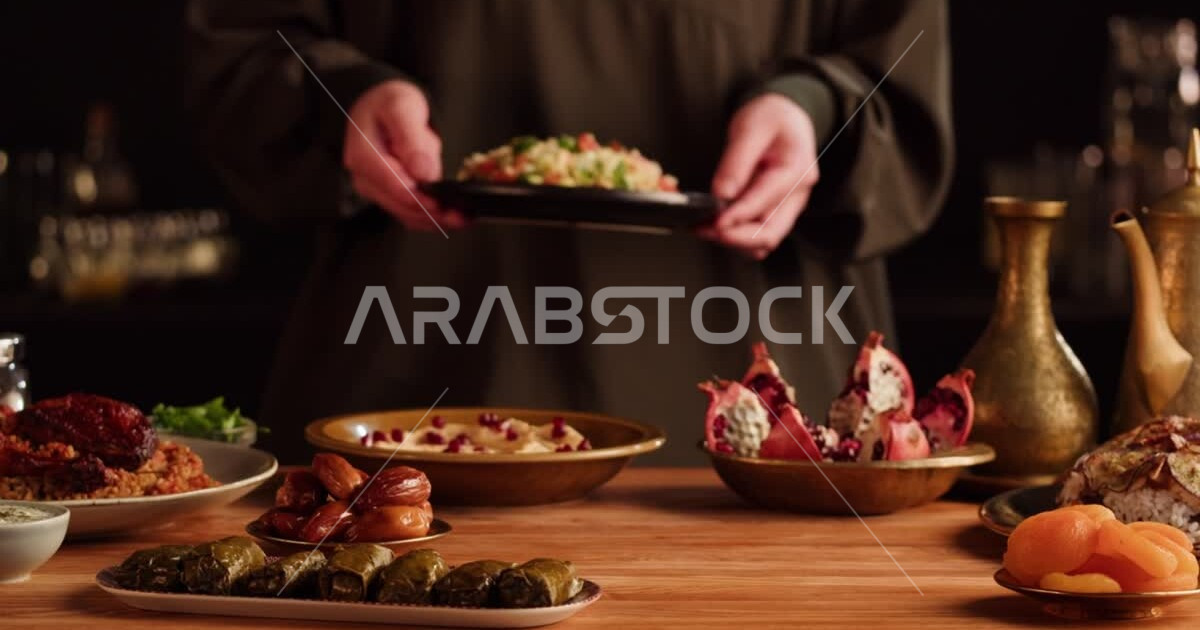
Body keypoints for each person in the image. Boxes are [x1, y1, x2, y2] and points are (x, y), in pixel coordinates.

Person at [186, 1, 952, 464]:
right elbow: (243, 49)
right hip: (412, 398)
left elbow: (903, 80)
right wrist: (342, 97)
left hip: (770, 435)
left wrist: (814, 109)